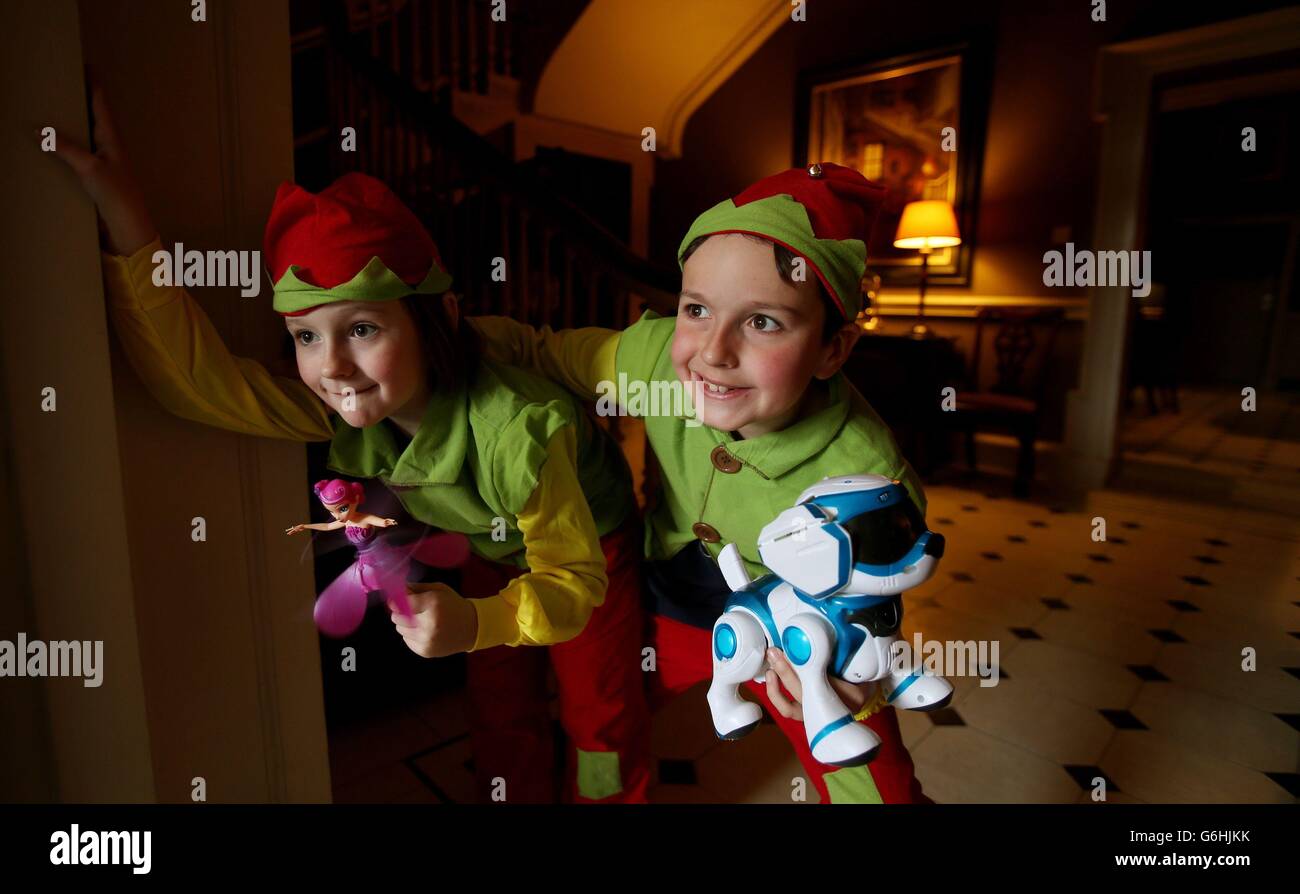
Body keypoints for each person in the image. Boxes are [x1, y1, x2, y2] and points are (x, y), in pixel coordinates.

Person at [49, 90, 649, 803]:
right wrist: (126, 219)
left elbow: (571, 581)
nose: (331, 365)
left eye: (362, 329)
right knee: (497, 697)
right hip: (491, 544)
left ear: (438, 318)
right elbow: (203, 388)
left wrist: (478, 619)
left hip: (591, 544)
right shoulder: (350, 403)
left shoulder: (513, 429)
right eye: (307, 336)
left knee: (598, 711)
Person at [472, 162, 934, 803]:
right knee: (605, 714)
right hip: (667, 598)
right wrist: (434, 340)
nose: (713, 352)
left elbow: (875, 599)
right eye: (697, 309)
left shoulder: (870, 482)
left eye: (763, 321)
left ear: (833, 350)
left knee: (873, 781)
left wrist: (856, 679)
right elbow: (538, 351)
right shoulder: (656, 362)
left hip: (799, 633)